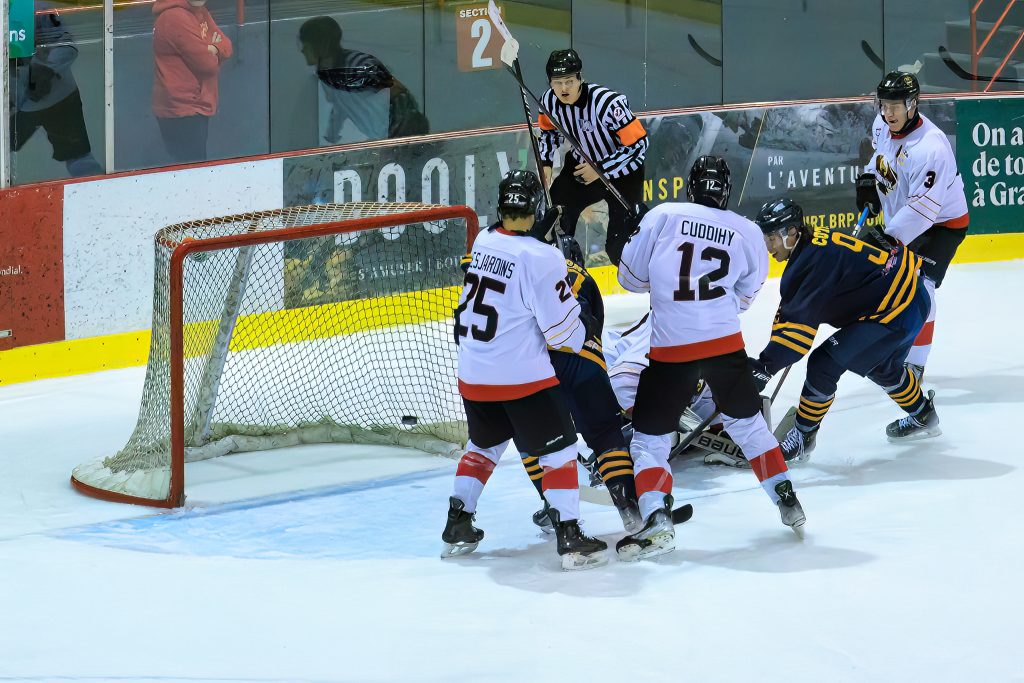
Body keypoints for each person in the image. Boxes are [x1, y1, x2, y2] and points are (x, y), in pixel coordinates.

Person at [616, 156, 807, 560]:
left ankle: (656, 518)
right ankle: (786, 498)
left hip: (671, 351)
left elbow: (629, 279)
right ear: (726, 191)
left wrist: (637, 243)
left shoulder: (664, 215)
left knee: (649, 442)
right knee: (750, 426)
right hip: (724, 345)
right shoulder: (749, 231)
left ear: (690, 187)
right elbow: (744, 298)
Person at [441, 169, 608, 571]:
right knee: (562, 450)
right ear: (536, 207)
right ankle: (570, 535)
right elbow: (563, 336)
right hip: (519, 378)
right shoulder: (543, 256)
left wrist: (535, 238)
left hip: (473, 372)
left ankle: (457, 523)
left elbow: (511, 260)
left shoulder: (484, 240)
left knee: (484, 445)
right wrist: (582, 312)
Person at [748, 197, 938, 463]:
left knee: (823, 364)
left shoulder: (808, 263)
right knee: (884, 368)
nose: (768, 247)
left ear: (791, 232)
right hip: (911, 298)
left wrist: (764, 366)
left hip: (895, 311)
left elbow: (796, 338)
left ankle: (803, 437)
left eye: (771, 238)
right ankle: (924, 415)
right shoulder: (812, 247)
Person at [856, 70, 969, 381]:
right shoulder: (882, 123)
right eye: (884, 105)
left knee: (922, 289)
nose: (887, 112)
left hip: (942, 225)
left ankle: (915, 365)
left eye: (895, 106)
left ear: (913, 104)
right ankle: (896, 343)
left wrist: (886, 237)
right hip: (905, 219)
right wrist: (868, 182)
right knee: (895, 284)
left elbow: (922, 212)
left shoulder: (931, 148)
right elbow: (880, 159)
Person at [537, 49, 648, 265]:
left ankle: (649, 279)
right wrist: (546, 163)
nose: (564, 88)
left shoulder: (608, 104)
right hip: (581, 169)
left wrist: (601, 169)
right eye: (558, 82)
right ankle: (560, 274)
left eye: (569, 81)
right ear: (550, 83)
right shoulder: (548, 101)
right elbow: (548, 132)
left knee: (619, 247)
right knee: (555, 218)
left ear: (580, 79)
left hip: (623, 175)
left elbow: (639, 145)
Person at [298, 16, 428, 145]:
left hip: (399, 136)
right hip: (383, 138)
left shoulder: (359, 64)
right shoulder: (326, 76)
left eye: (306, 44)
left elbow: (398, 93)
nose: (302, 49)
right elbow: (340, 105)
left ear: (321, 45)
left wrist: (391, 138)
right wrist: (332, 134)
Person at [9, 9, 103, 178]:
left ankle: (100, 194)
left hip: (60, 99)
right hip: (20, 103)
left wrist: (48, 69)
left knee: (79, 159)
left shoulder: (34, 7)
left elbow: (67, 44)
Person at [152, 0, 233, 164]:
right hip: (181, 111)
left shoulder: (200, 11)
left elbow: (227, 46)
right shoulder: (174, 18)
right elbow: (208, 65)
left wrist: (214, 49)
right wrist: (212, 46)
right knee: (190, 171)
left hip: (195, 106)